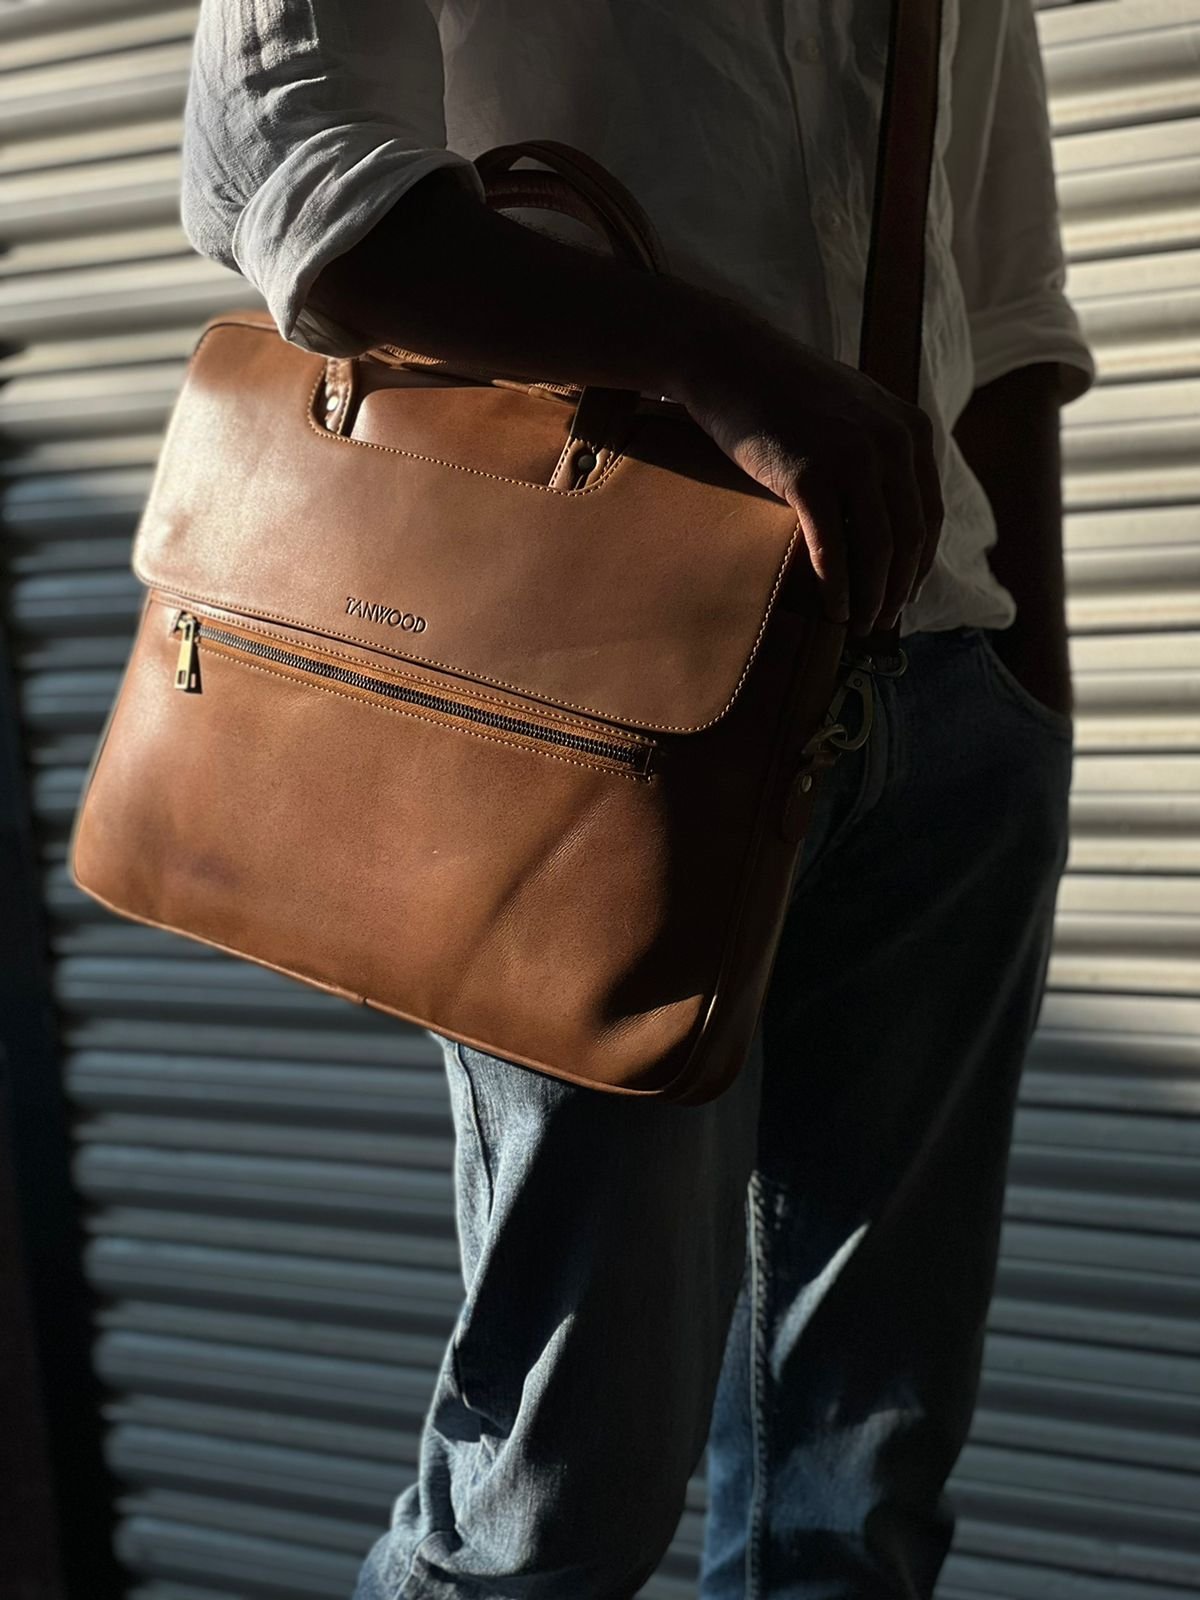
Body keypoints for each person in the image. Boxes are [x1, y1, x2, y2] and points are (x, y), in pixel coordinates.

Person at [179, 3, 1094, 1595]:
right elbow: (293, 175)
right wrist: (705, 351)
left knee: (858, 1489)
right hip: (602, 706)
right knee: (552, 1493)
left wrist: (1030, 705)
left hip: (943, 706)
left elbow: (1001, 303)